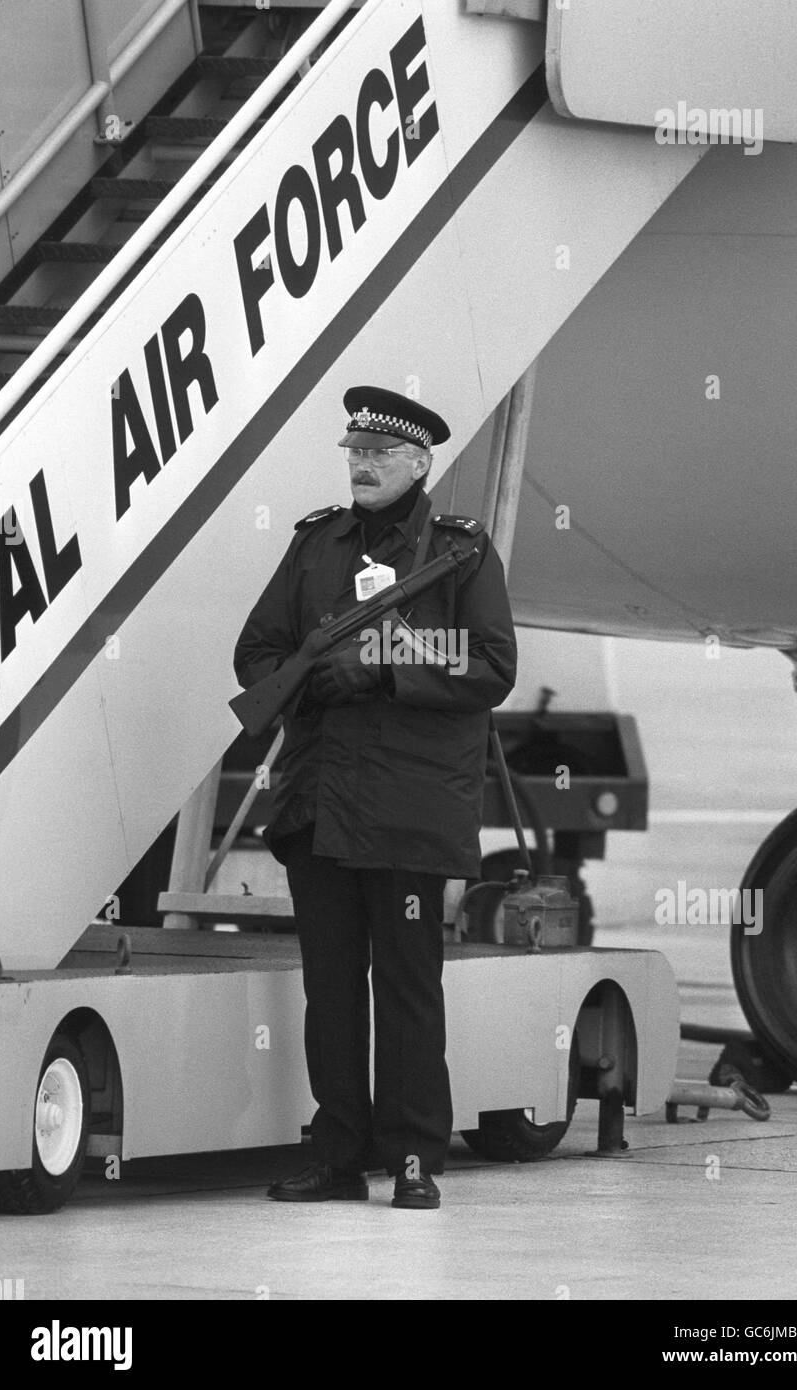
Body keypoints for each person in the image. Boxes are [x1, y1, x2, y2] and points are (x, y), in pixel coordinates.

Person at [233, 386, 516, 1208]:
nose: (361, 464)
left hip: (407, 809)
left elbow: (490, 665)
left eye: (379, 454)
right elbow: (259, 648)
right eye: (355, 452)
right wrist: (301, 682)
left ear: (419, 464)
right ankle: (338, 1154)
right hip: (320, 802)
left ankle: (415, 1157)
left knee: (406, 991)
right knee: (330, 991)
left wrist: (386, 670)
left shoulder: (459, 553)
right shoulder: (317, 545)